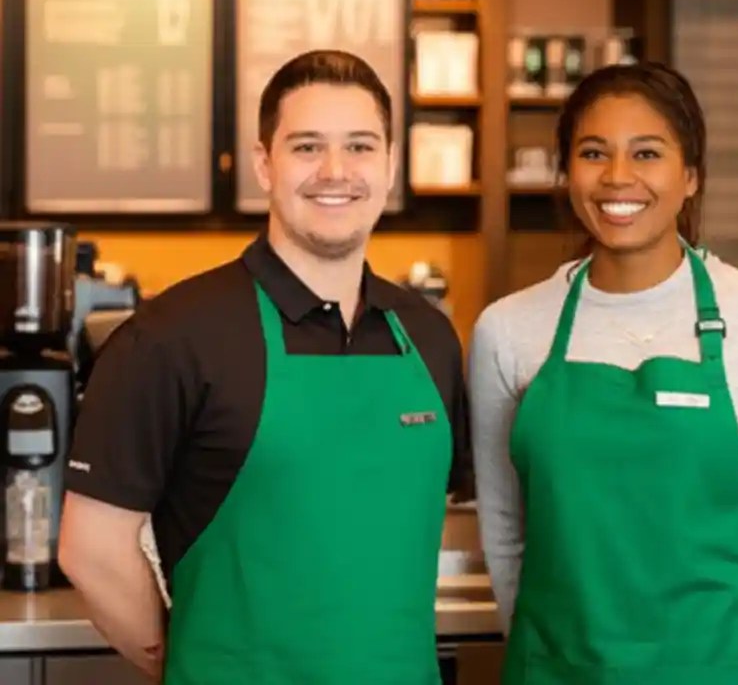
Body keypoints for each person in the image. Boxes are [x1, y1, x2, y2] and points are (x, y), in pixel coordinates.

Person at [58, 49, 472, 684]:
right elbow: (92, 551)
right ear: (264, 165)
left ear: (390, 164)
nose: (336, 171)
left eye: (360, 147)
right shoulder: (172, 336)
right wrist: (191, 661)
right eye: (307, 147)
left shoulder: (429, 337)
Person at [468, 62, 738, 685]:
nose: (618, 177)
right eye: (593, 153)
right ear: (567, 171)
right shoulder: (508, 330)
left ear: (690, 176)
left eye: (647, 153)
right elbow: (506, 537)